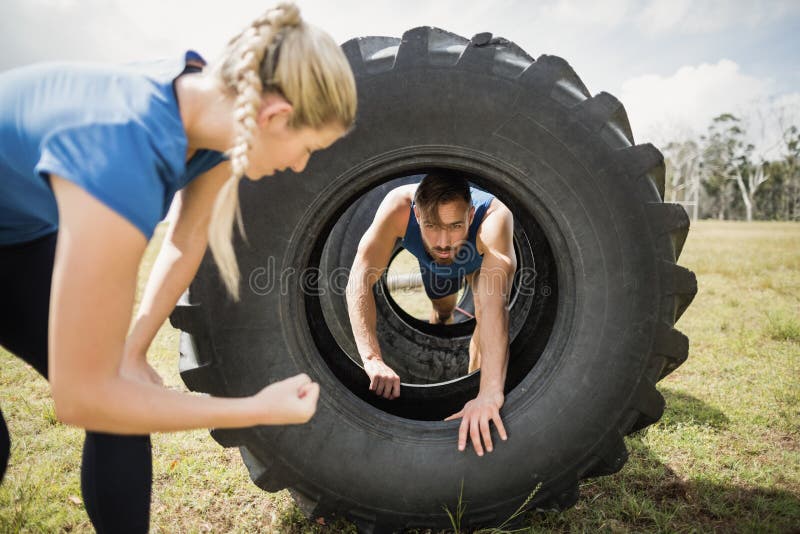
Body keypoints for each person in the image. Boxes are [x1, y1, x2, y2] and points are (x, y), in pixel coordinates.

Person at [0, 3, 356, 532]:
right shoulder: (120, 152)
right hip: (22, 225)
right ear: (275, 115)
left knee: (121, 404)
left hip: (16, 230)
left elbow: (185, 238)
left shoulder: (210, 116)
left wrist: (132, 349)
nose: (300, 165)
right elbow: (82, 399)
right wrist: (254, 408)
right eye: (307, 148)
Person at [345, 172, 517, 457]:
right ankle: (442, 320)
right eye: (431, 226)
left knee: (482, 318)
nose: (443, 241)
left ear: (471, 215)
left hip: (478, 264)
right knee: (442, 308)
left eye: (455, 225)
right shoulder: (398, 208)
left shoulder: (494, 219)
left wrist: (490, 392)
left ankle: (473, 394)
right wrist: (372, 358)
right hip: (435, 271)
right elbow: (359, 280)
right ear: (415, 213)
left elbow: (492, 308)